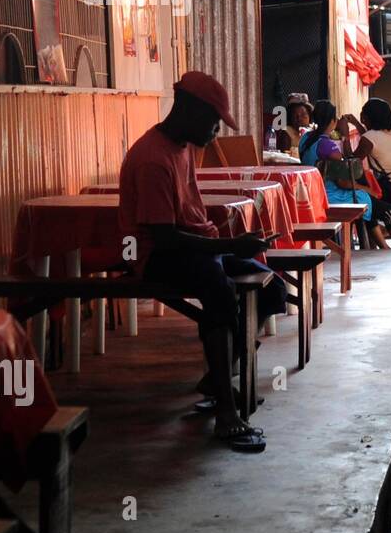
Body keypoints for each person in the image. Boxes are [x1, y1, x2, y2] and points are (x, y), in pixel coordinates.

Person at [119, 71, 286, 453]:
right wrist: (230, 244)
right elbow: (164, 239)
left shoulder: (181, 147)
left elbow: (191, 224)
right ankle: (227, 416)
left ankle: (218, 376)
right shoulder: (152, 159)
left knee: (271, 287)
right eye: (213, 122)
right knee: (218, 287)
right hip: (155, 256)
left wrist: (232, 245)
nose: (215, 132)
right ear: (190, 111)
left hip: (190, 246)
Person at [300, 99, 391, 249]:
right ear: (334, 121)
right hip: (333, 195)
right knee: (379, 205)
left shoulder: (305, 139)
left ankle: (378, 246)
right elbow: (346, 177)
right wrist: (345, 135)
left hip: (314, 194)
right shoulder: (329, 146)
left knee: (369, 199)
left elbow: (351, 165)